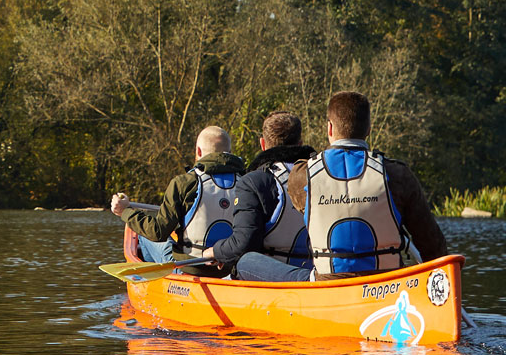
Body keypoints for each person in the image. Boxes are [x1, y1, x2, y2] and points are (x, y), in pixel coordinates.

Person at [235, 91, 448, 282]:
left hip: (328, 284)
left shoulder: (302, 176)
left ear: (329, 128)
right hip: (385, 283)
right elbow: (433, 245)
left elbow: (305, 212)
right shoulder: (397, 174)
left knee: (245, 261)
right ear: (369, 130)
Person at [111, 126, 245, 277]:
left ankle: (154, 283)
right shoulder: (247, 184)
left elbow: (158, 232)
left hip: (189, 268)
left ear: (198, 152)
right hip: (229, 269)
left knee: (142, 234)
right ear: (230, 152)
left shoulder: (184, 183)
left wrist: (125, 212)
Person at [201, 111, 315, 272]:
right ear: (301, 142)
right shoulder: (320, 175)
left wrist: (216, 251)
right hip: (316, 274)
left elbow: (243, 244)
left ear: (263, 144)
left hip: (271, 281)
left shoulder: (254, 181)